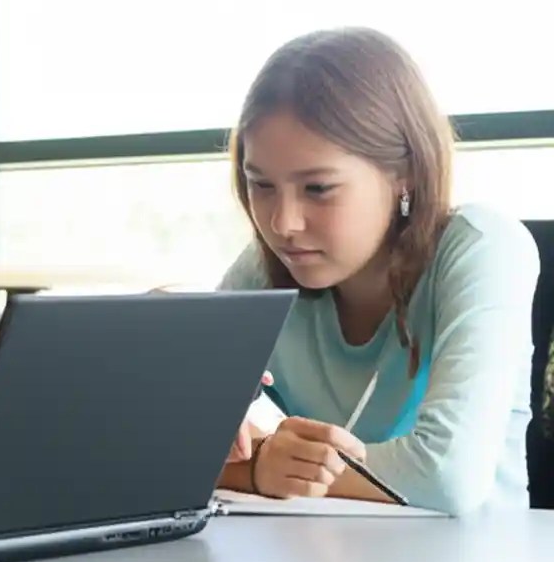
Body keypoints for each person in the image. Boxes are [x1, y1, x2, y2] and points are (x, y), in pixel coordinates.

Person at [217, 27, 537, 515]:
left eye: (318, 188)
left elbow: (447, 475)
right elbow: (170, 451)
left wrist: (267, 467)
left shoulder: (483, 246)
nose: (283, 224)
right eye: (261, 185)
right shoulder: (267, 266)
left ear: (403, 174)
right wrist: (259, 463)